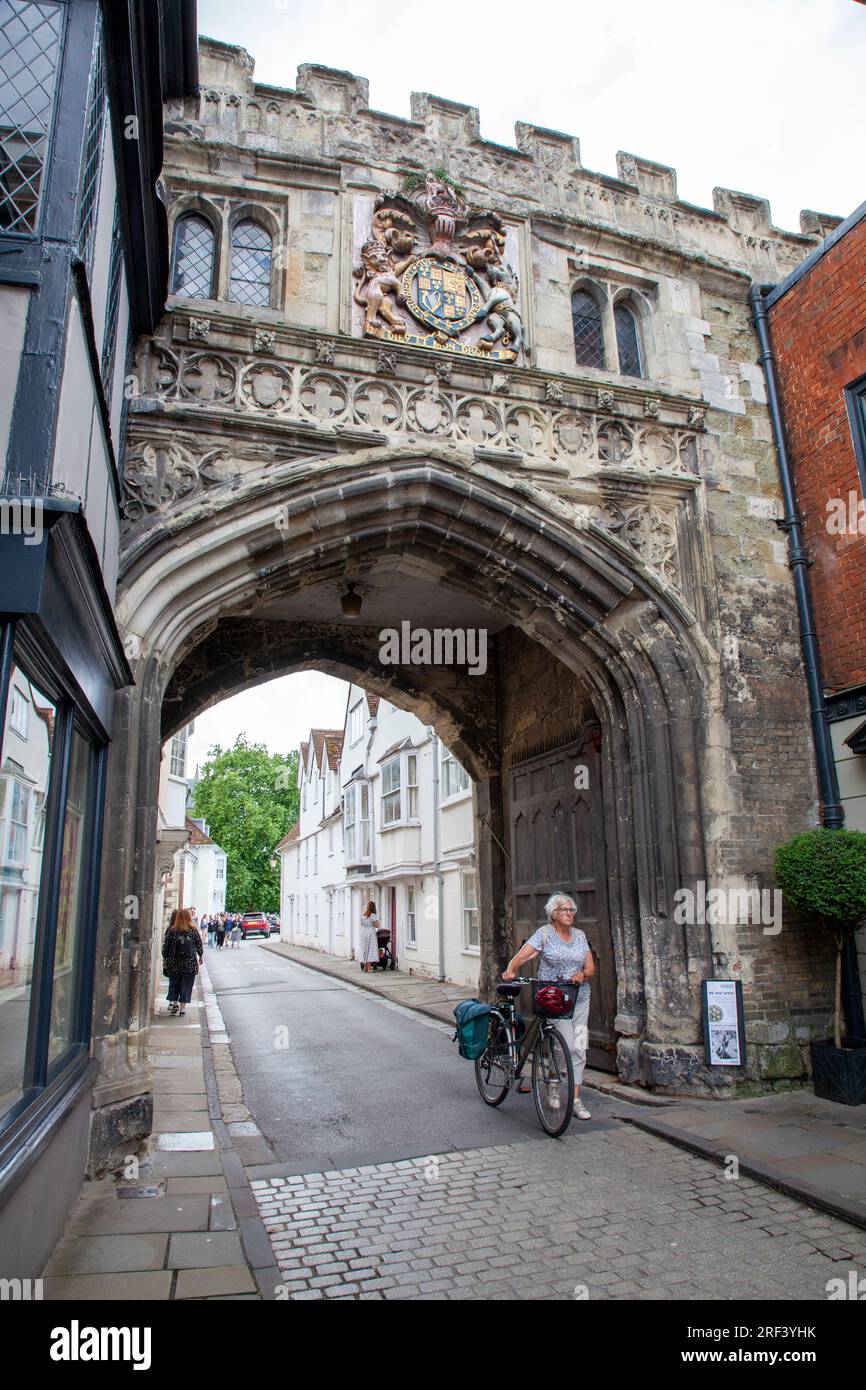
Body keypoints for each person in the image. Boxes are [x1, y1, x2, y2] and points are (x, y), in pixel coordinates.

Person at [503, 892, 596, 1120]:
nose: (569, 913)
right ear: (553, 914)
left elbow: (591, 968)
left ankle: (575, 1100)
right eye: (564, 910)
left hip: (580, 999)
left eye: (571, 910)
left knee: (580, 1047)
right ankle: (553, 1082)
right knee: (566, 1045)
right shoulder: (544, 935)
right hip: (554, 999)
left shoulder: (580, 936)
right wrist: (511, 969)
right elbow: (523, 956)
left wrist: (582, 974)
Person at [163, 907, 203, 1016]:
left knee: (174, 983)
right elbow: (199, 944)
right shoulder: (193, 930)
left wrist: (165, 958)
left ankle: (175, 1003)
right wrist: (200, 955)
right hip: (189, 963)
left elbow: (166, 946)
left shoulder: (172, 930)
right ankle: (182, 1009)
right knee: (186, 985)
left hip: (174, 962)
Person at [358, 900, 380, 973]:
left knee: (365, 949)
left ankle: (365, 967)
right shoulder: (373, 915)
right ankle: (369, 968)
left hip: (363, 932)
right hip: (370, 933)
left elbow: (361, 924)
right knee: (370, 949)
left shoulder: (363, 915)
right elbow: (377, 925)